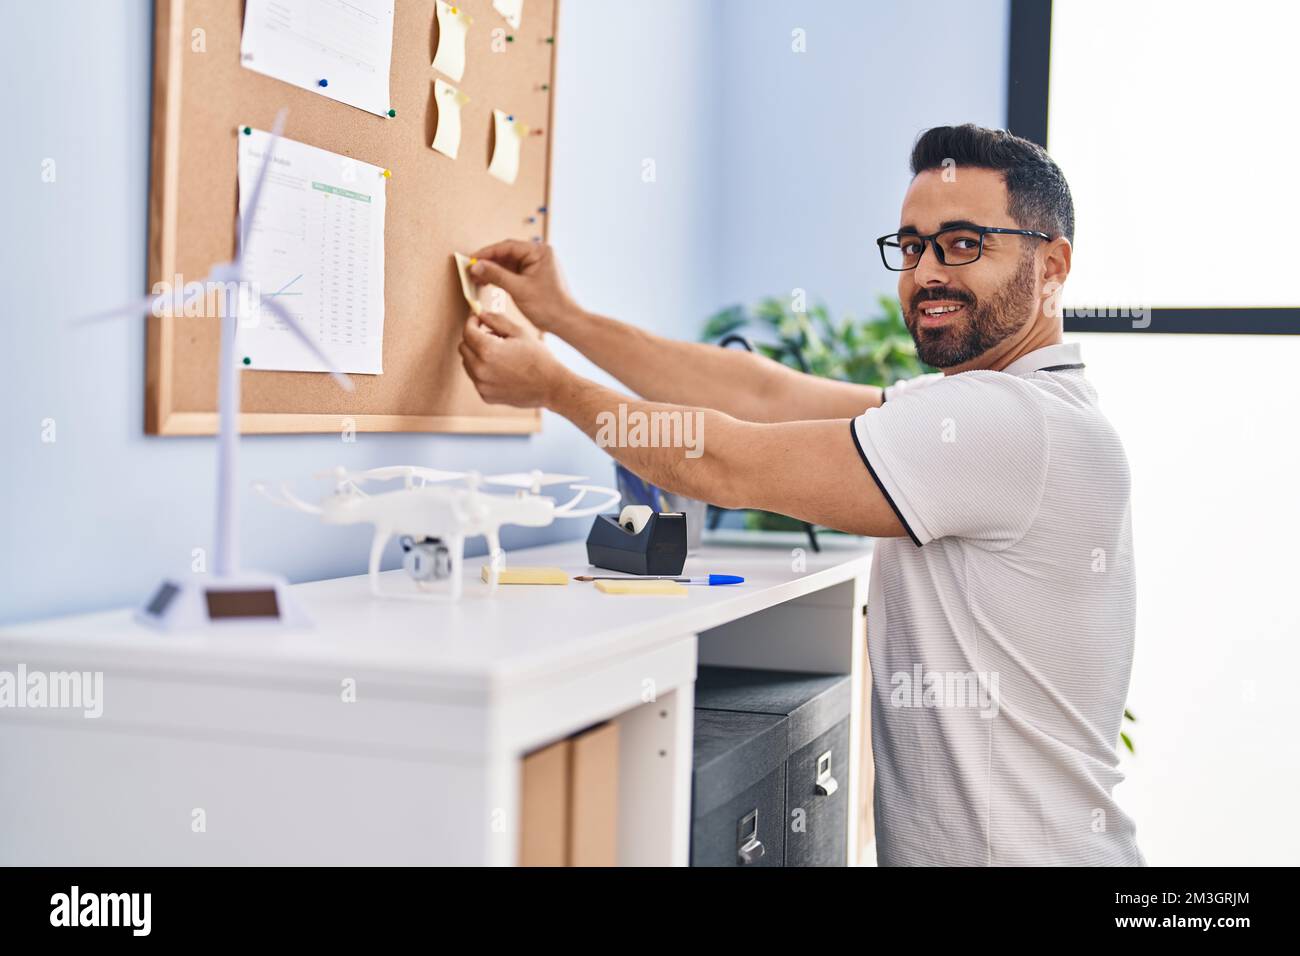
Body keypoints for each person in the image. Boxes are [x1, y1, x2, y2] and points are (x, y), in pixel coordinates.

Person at [459, 123, 1144, 866]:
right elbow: (765, 394)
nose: (927, 272)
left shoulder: (1011, 422)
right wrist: (566, 319)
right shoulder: (1006, 411)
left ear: (1053, 265)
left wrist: (553, 386)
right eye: (912, 246)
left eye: (964, 243)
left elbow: (721, 461)